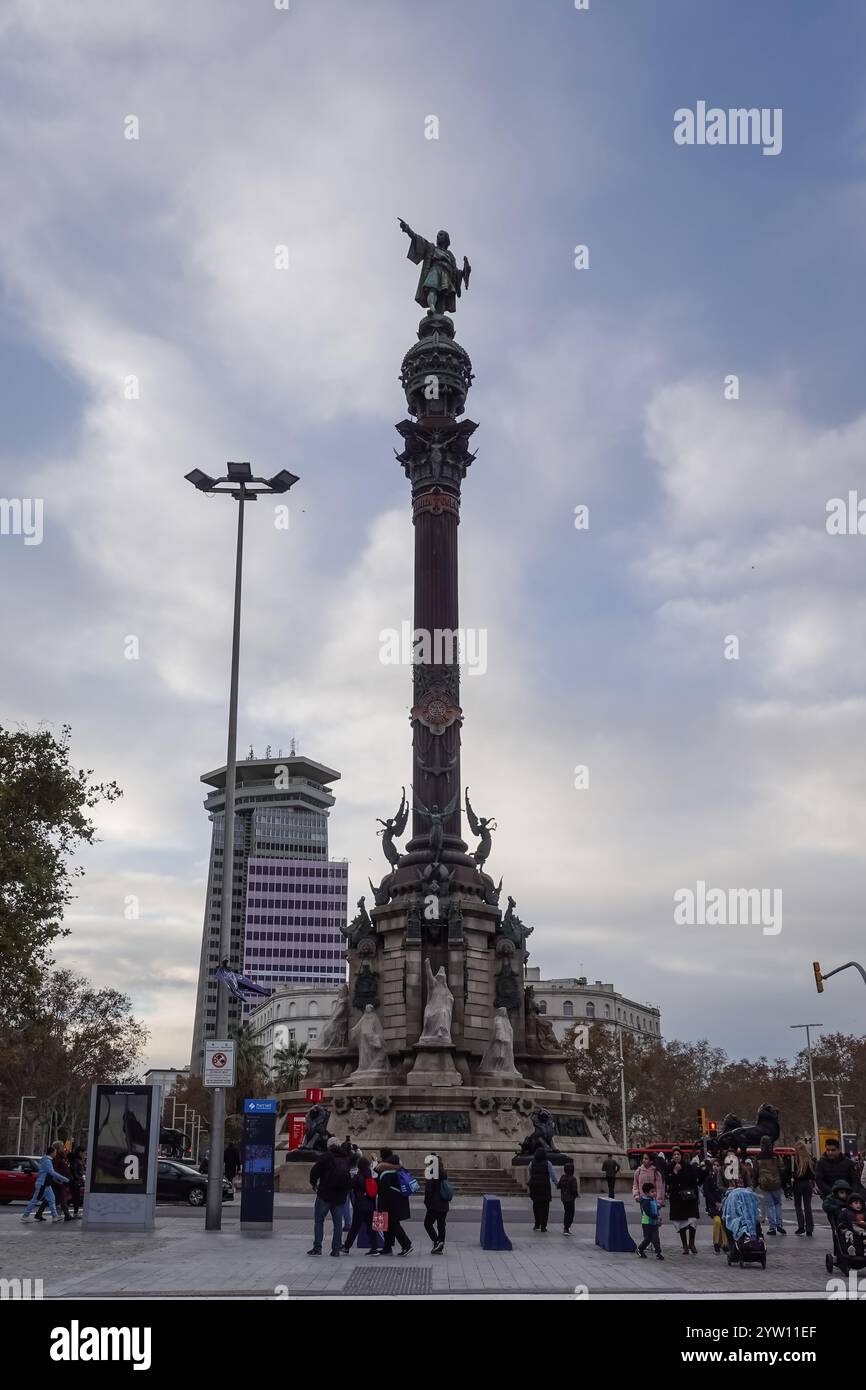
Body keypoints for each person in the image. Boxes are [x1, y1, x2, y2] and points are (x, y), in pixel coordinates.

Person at [308, 1137, 351, 1257]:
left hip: (325, 1194)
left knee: (319, 1221)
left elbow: (315, 1170)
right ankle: (336, 1249)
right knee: (338, 1224)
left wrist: (313, 1183)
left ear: (329, 1146)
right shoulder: (345, 1157)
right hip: (340, 1195)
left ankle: (317, 1248)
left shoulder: (326, 1156)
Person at [376, 1152, 413, 1255]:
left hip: (390, 1203)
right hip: (398, 1202)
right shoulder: (398, 1171)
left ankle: (406, 1245)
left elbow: (383, 1191)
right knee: (389, 1225)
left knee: (393, 1225)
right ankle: (387, 1247)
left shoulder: (386, 1174)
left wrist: (381, 1207)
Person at [667, 1147, 700, 1255]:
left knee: (692, 1220)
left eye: (678, 1154)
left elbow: (694, 1182)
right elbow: (669, 1182)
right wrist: (674, 1172)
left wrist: (696, 1196)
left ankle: (692, 1243)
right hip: (677, 1199)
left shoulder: (688, 1167)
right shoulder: (670, 1167)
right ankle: (685, 1245)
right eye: (674, 1155)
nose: (676, 1156)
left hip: (689, 1197)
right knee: (681, 1222)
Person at [21, 1147, 67, 1222]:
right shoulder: (47, 1161)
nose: (55, 1154)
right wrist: (64, 1179)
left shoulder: (47, 1160)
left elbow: (49, 1174)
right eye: (55, 1152)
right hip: (42, 1184)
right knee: (35, 1200)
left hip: (45, 1184)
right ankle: (25, 1216)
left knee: (52, 1199)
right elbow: (51, 1172)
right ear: (51, 1153)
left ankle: (55, 1216)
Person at [342, 1156, 378, 1255]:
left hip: (360, 1206)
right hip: (370, 1205)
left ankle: (346, 1246)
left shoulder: (358, 1177)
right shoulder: (370, 1175)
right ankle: (374, 1248)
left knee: (355, 1227)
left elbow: (350, 1185)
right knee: (371, 1228)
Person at [752, 1135, 786, 1235]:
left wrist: (755, 1183)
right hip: (776, 1182)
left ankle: (772, 1227)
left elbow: (755, 1172)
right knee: (778, 1204)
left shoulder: (758, 1157)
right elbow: (782, 1168)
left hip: (765, 1183)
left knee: (769, 1205)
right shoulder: (775, 1156)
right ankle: (779, 1224)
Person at [423, 1153, 451, 1253]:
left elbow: (429, 1189)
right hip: (444, 1203)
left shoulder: (433, 1172)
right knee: (441, 1224)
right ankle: (440, 1244)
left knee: (427, 1223)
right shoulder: (443, 1171)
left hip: (434, 1204)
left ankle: (436, 1242)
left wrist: (427, 1202)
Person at [792, 1139, 816, 1237]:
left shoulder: (795, 1159)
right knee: (807, 1206)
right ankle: (809, 1228)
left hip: (798, 1184)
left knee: (798, 1206)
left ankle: (801, 1226)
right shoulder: (809, 1158)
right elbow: (813, 1173)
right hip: (808, 1184)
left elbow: (792, 1173)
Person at [636, 1182, 664, 1260]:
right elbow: (648, 1212)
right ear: (646, 1193)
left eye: (654, 1191)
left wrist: (658, 1212)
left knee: (656, 1238)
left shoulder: (652, 1199)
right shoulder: (645, 1201)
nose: (654, 1193)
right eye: (652, 1192)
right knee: (648, 1239)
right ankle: (640, 1249)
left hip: (654, 1223)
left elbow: (654, 1209)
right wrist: (656, 1216)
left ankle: (658, 1253)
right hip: (647, 1223)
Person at [703, 1160, 725, 1254]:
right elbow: (707, 1192)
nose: (716, 1167)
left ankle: (724, 1244)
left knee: (724, 1224)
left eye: (718, 1165)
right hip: (713, 1204)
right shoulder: (709, 1178)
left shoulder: (724, 1177)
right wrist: (715, 1202)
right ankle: (716, 1243)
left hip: (724, 1203)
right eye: (714, 1165)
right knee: (717, 1221)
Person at [528, 1149, 553, 1232]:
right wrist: (558, 1184)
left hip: (534, 1186)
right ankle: (543, 1226)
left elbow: (530, 1173)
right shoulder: (548, 1163)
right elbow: (552, 1175)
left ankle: (536, 1224)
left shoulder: (532, 1163)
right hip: (544, 1186)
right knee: (545, 1207)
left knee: (536, 1205)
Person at [557, 1160, 579, 1235]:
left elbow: (558, 1186)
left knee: (566, 1212)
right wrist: (576, 1195)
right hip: (570, 1198)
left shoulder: (562, 1177)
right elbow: (574, 1189)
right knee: (571, 1213)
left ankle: (566, 1228)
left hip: (563, 1198)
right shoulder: (573, 1179)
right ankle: (567, 1228)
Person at [68, 1145, 85, 1218]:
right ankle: (75, 1213)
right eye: (82, 1152)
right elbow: (74, 1170)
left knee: (76, 1197)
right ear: (79, 1152)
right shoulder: (75, 1160)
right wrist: (78, 1178)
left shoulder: (78, 1159)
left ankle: (75, 1212)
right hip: (75, 1181)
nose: (83, 1154)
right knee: (76, 1197)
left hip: (76, 1180)